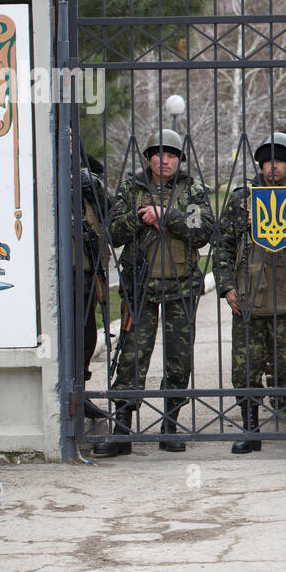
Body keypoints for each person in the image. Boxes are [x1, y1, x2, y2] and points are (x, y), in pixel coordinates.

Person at [93, 128, 214, 456]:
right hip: (140, 289)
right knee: (132, 359)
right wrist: (140, 218)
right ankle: (122, 432)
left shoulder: (192, 190)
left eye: (173, 155)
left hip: (182, 288)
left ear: (180, 160)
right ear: (149, 158)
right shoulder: (132, 188)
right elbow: (113, 233)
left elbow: (203, 232)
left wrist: (168, 215)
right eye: (160, 154)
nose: (166, 161)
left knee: (178, 360)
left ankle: (169, 426)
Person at [215, 133, 286, 455]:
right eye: (268, 160)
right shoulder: (241, 199)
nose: (274, 167)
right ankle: (250, 430)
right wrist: (226, 286)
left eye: (281, 160)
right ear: (260, 163)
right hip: (249, 296)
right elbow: (223, 244)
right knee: (245, 369)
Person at [78, 147, 111, 421]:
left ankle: (79, 391)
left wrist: (91, 185)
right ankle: (66, 395)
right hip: (57, 278)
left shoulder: (90, 177)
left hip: (89, 274)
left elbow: (110, 207)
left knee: (88, 336)